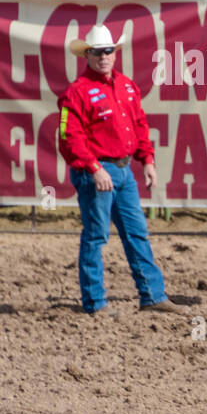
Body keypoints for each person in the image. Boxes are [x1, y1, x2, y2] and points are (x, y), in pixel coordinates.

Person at [58, 24, 179, 314]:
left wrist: (147, 159)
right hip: (97, 171)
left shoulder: (126, 86)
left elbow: (138, 124)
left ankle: (152, 295)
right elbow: (69, 137)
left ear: (115, 53)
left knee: (136, 232)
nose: (104, 56)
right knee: (96, 235)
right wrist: (94, 168)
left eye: (108, 51)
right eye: (98, 52)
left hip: (123, 170)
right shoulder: (77, 93)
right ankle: (95, 302)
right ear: (87, 55)